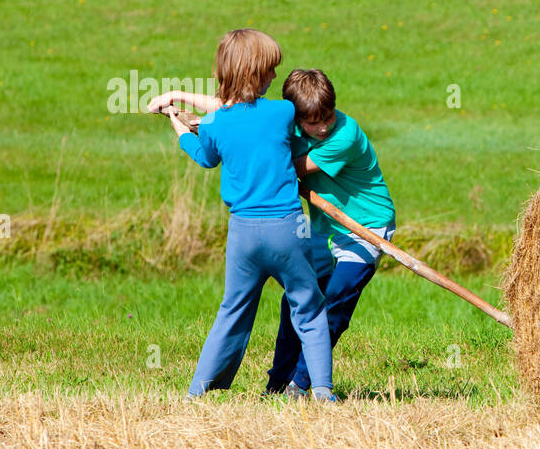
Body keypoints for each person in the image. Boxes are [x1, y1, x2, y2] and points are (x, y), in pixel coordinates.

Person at [146, 31, 336, 401]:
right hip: (287, 228)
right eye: (271, 71)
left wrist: (176, 117)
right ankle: (323, 392)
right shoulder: (282, 113)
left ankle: (197, 392)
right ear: (261, 76)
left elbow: (205, 154)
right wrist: (184, 101)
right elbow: (233, 107)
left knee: (232, 310)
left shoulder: (216, 125)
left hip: (243, 234)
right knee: (308, 307)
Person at [266, 68, 396, 398]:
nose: (323, 126)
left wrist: (253, 153)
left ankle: (301, 383)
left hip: (366, 229)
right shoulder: (292, 127)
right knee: (297, 299)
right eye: (313, 122)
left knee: (335, 302)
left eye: (327, 116)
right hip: (324, 228)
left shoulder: (345, 135)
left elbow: (289, 168)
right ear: (296, 117)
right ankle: (277, 382)